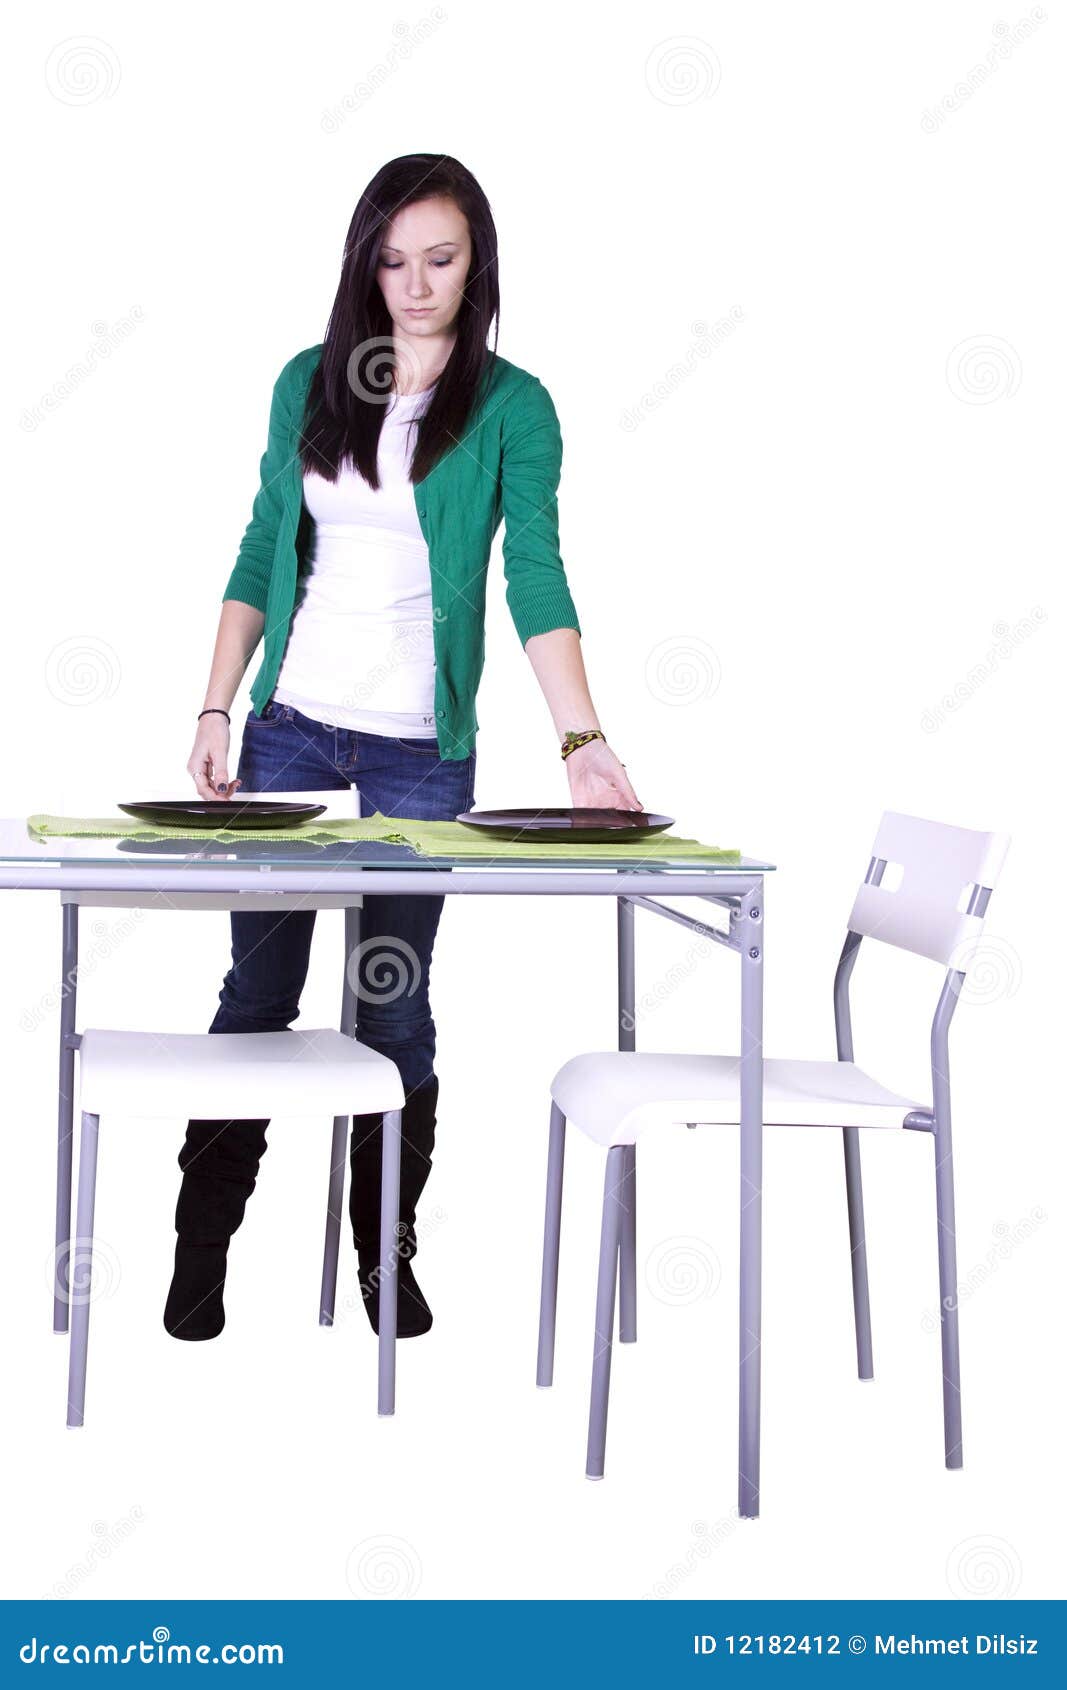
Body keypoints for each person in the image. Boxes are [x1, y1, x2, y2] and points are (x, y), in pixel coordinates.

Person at [164, 152, 643, 1344]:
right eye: (392, 261)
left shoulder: (513, 406)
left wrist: (582, 740)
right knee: (258, 991)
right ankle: (201, 1249)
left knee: (393, 1004)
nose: (415, 285)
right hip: (290, 731)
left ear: (476, 263)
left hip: (420, 750)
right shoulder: (309, 381)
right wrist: (216, 709)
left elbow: (534, 573)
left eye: (440, 258)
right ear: (363, 265)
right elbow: (260, 546)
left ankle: (384, 1250)